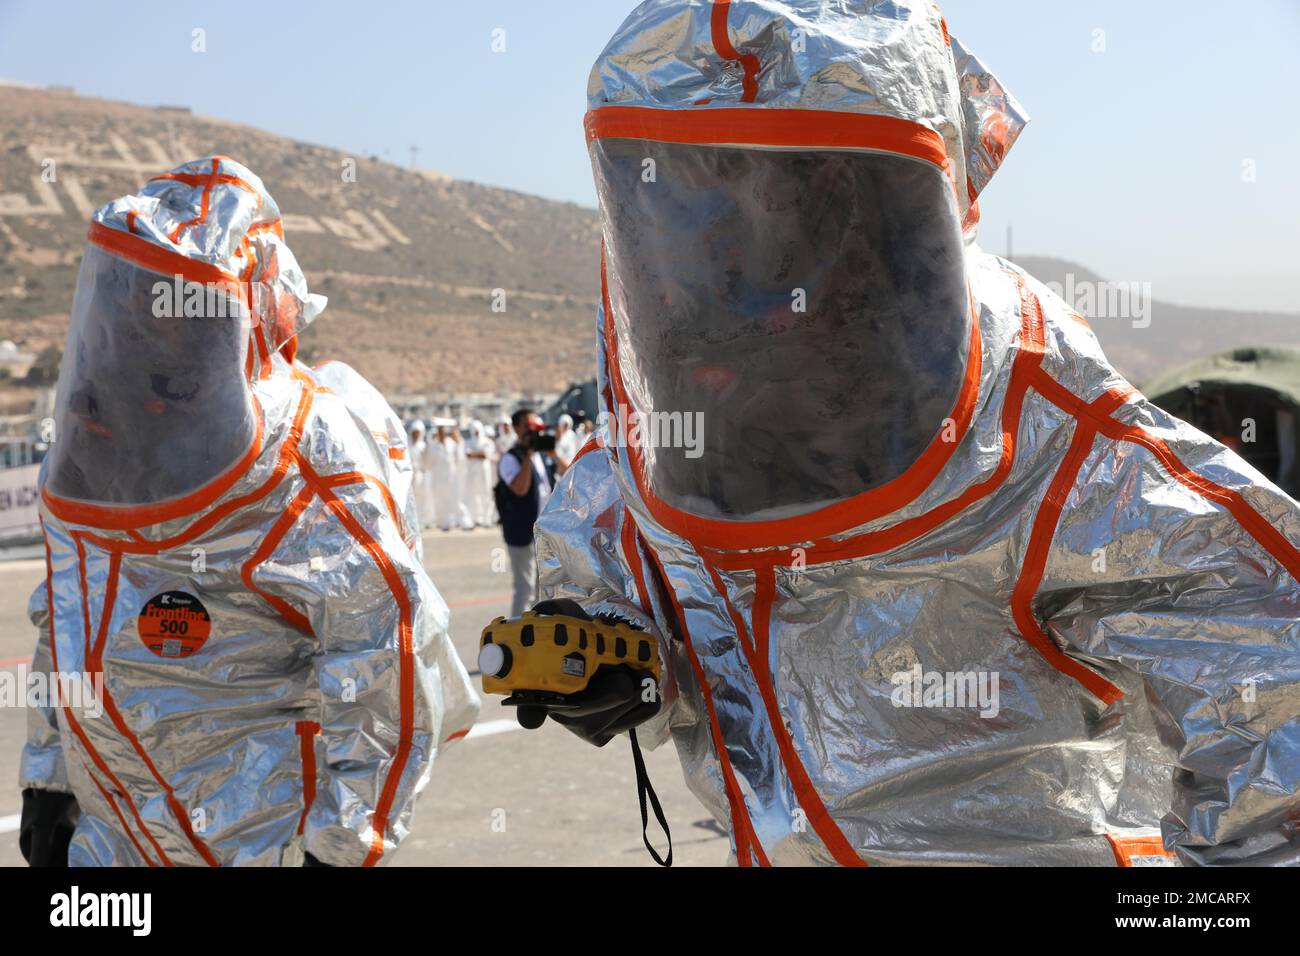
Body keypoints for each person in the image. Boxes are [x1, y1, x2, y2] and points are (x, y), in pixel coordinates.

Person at [512, 0, 1300, 866]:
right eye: (714, 195)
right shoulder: (663, 431)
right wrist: (616, 658)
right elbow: (621, 573)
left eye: (802, 197)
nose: (757, 246)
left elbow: (1268, 659)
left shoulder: (1033, 420)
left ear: (892, 210)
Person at [18, 157, 479, 867]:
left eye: (172, 307)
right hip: (110, 831)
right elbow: (66, 613)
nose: (147, 323)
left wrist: (346, 840)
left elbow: (383, 652)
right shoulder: (94, 451)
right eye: (132, 299)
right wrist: (47, 778)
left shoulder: (303, 449)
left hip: (256, 835)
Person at [496, 408, 566, 617]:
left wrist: (553, 453)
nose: (532, 433)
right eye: (528, 428)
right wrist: (527, 455)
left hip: (544, 532)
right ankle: (515, 634)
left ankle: (536, 633)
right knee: (524, 589)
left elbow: (569, 471)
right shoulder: (511, 458)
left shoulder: (543, 456)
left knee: (543, 589)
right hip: (521, 533)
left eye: (536, 428)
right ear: (516, 428)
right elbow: (520, 488)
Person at [428, 423, 472, 531]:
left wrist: (458, 440)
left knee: (456, 499)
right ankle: (445, 523)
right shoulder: (433, 446)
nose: (441, 433)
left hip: (452, 477)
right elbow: (429, 463)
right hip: (439, 478)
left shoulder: (452, 443)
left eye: (443, 431)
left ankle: (465, 522)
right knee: (441, 500)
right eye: (440, 431)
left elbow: (460, 458)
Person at [462, 420, 497, 527]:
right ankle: (476, 518)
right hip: (472, 473)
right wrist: (479, 453)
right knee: (473, 495)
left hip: (485, 472)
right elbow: (467, 455)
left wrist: (474, 454)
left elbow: (485, 455)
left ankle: (487, 518)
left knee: (486, 494)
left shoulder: (488, 442)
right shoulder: (467, 442)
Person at [407, 419, 436, 529]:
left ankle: (423, 520)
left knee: (423, 498)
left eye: (418, 432)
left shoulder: (423, 446)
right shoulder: (407, 446)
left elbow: (428, 462)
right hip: (410, 476)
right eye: (414, 432)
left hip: (421, 475)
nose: (416, 435)